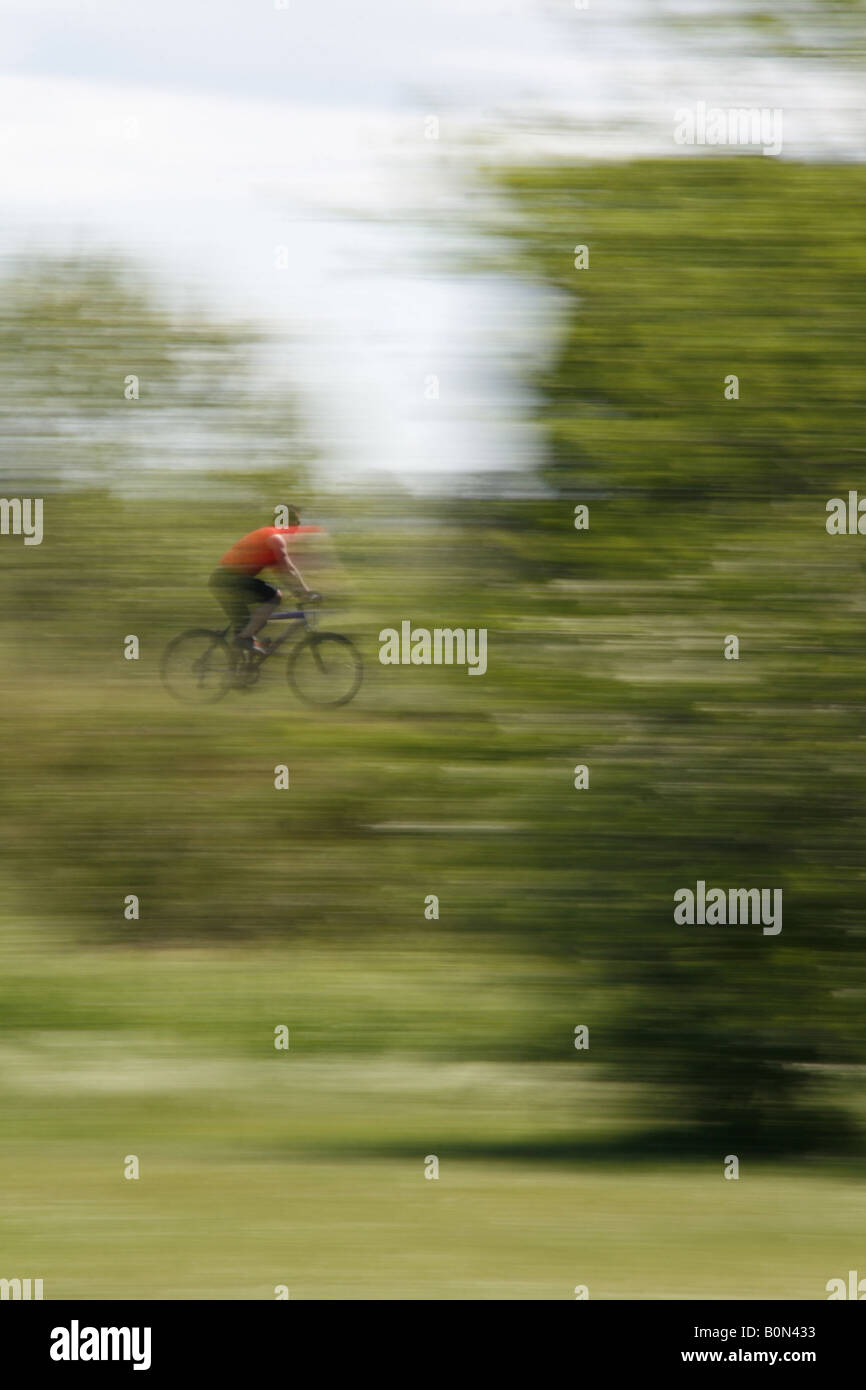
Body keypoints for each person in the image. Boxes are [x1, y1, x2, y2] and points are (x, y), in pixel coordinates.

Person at [210, 507, 319, 654]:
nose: (298, 527)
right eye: (296, 523)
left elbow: (282, 572)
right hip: (229, 580)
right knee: (275, 596)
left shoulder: (268, 536)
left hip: (222, 581)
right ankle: (244, 639)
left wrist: (297, 591)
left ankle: (238, 670)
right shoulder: (275, 538)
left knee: (252, 624)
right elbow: (288, 569)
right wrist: (306, 592)